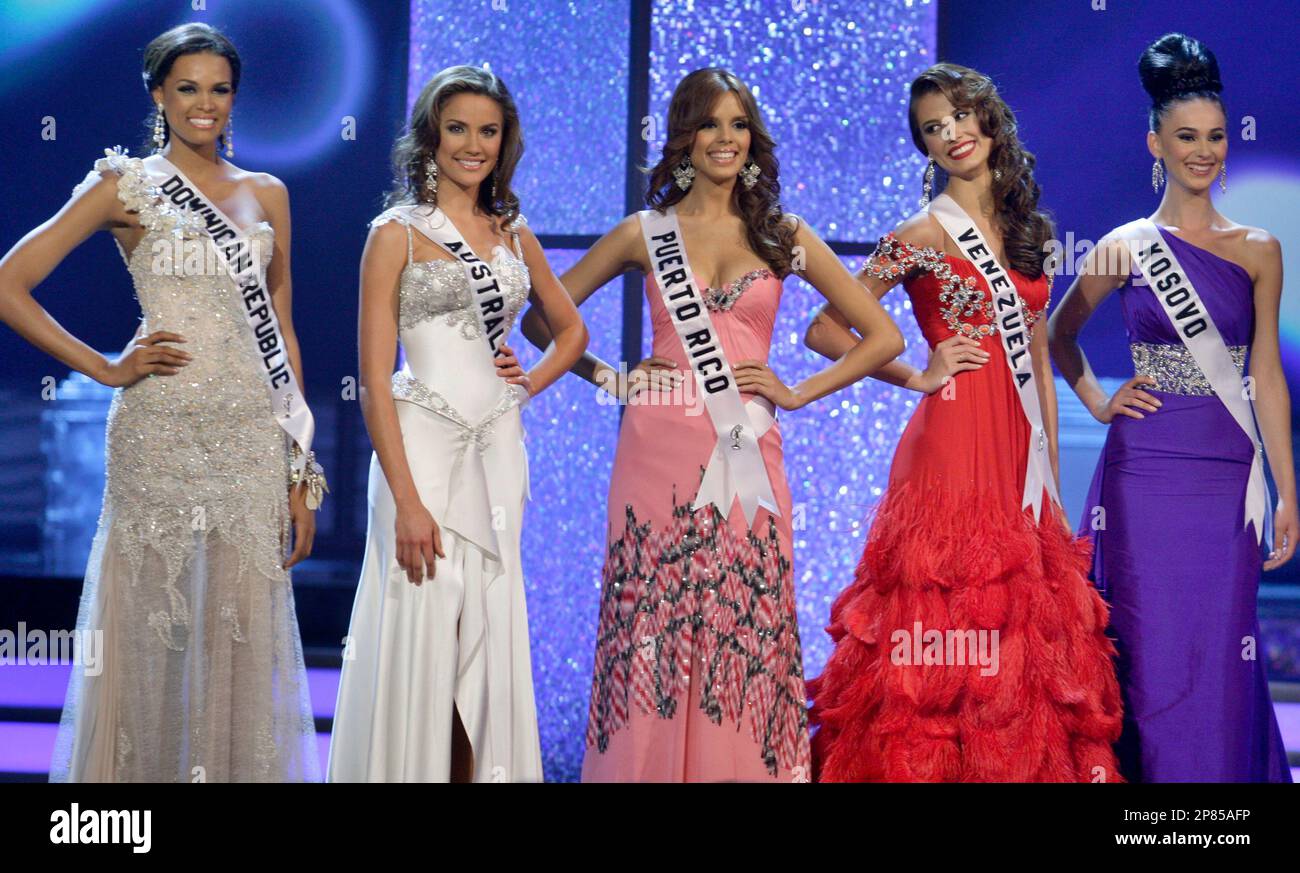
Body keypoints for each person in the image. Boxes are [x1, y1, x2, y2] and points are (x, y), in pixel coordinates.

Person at [523, 67, 904, 782]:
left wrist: (799, 390)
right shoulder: (646, 232)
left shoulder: (783, 233)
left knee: (742, 623)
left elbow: (883, 336)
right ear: (684, 138)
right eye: (708, 124)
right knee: (654, 631)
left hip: (747, 452)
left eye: (737, 125)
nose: (724, 139)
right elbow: (541, 316)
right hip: (656, 447)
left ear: (752, 138)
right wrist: (611, 377)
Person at [0, 23, 324, 781]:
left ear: (234, 96)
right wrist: (104, 367)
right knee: (151, 629)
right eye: (187, 88)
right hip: (160, 431)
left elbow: (283, 329)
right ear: (158, 94)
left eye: (218, 89)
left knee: (240, 632)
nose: (203, 104)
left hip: (248, 432)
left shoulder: (268, 193)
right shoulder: (124, 184)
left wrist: (298, 470)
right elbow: (9, 281)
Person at [806, 63, 1123, 782]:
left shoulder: (1023, 229)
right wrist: (918, 372)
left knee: (1024, 626)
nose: (951, 134)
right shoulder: (919, 233)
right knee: (942, 621)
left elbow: (1038, 352)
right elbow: (827, 330)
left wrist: (1050, 465)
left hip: (1021, 452)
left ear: (989, 117)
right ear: (922, 146)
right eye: (932, 128)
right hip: (949, 445)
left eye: (959, 115)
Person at [327, 66, 587, 783]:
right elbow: (374, 384)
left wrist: (526, 383)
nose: (473, 145)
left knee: (486, 634)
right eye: (458, 129)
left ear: (505, 143)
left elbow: (571, 332)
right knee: (424, 630)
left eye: (489, 131)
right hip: (422, 453)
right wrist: (406, 500)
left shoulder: (512, 230)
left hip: (497, 449)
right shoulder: (396, 234)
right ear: (431, 136)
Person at [1048, 33, 1293, 782]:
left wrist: (1289, 489)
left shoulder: (1259, 248)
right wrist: (1095, 398)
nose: (1204, 150)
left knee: (1219, 647)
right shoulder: (1124, 245)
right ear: (1154, 140)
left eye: (1215, 137)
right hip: (1143, 470)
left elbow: (1265, 377)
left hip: (1226, 470)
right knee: (1144, 650)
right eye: (1187, 136)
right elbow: (1058, 335)